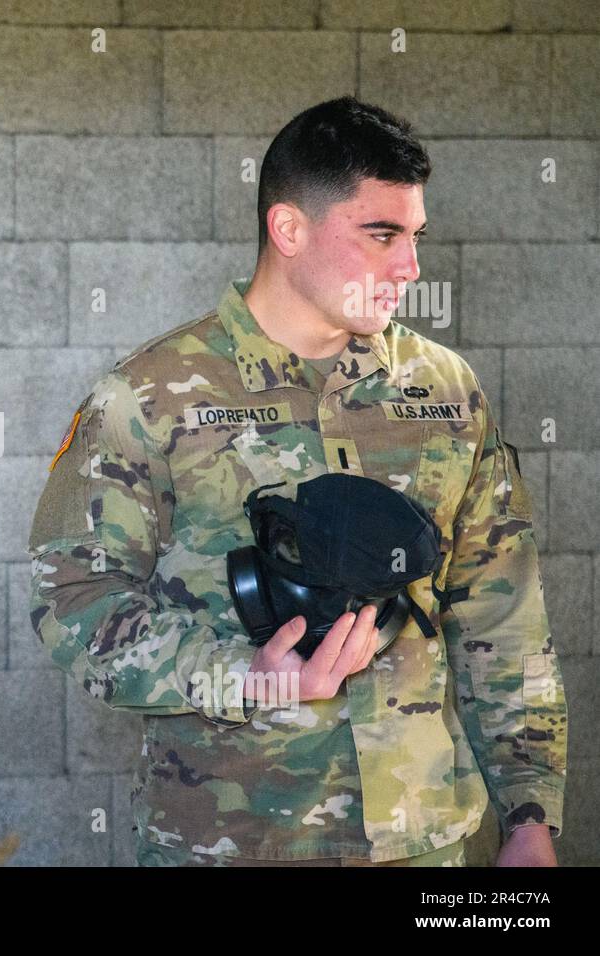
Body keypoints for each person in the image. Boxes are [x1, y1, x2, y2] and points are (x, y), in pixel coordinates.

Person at [27, 97, 566, 867]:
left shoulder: (446, 393)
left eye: (414, 237)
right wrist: (247, 676)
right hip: (233, 843)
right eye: (381, 235)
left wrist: (529, 813)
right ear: (289, 229)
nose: (409, 266)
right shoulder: (147, 398)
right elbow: (73, 605)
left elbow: (502, 615)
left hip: (425, 846)